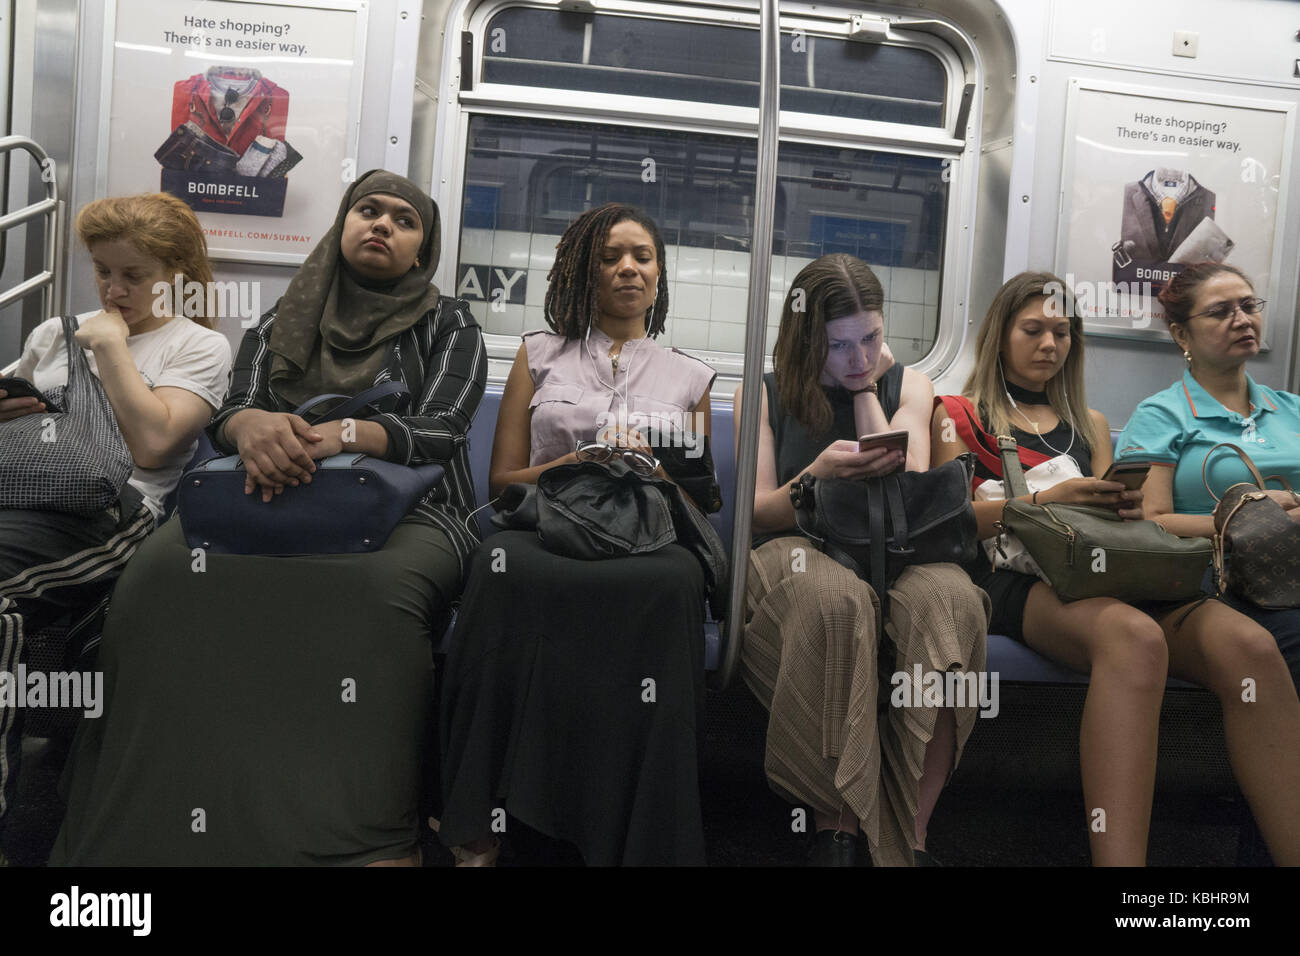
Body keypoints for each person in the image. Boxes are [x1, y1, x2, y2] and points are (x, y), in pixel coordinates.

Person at [49, 170, 486, 866]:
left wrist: (339, 434)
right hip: (269, 490)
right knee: (159, 578)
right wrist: (253, 426)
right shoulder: (283, 314)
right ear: (342, 222)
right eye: (367, 210)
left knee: (373, 596)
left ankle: (363, 836)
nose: (381, 225)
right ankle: (141, 824)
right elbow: (230, 411)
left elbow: (441, 428)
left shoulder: (450, 321)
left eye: (404, 221)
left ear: (423, 248)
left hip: (410, 508)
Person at [931, 270, 1300, 866]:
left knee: (1251, 647)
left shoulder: (1092, 425)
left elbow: (1125, 527)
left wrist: (1118, 504)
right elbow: (948, 522)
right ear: (999, 335)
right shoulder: (957, 414)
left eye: (1062, 332)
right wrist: (1046, 502)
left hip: (1106, 572)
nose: (1050, 345)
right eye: (1033, 330)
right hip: (1014, 578)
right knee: (1133, 638)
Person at [436, 202, 716, 866]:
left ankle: (647, 837)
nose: (628, 268)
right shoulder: (539, 356)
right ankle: (481, 819)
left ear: (659, 274)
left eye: (642, 257)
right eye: (610, 256)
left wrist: (646, 464)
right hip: (546, 521)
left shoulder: (691, 377)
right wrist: (580, 460)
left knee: (676, 581)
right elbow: (504, 481)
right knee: (498, 566)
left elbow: (697, 500)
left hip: (647, 531)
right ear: (582, 274)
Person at [740, 254, 990, 867]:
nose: (858, 356)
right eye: (839, 345)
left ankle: (911, 835)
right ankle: (838, 829)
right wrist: (815, 476)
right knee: (835, 600)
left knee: (950, 602)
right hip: (796, 548)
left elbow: (905, 474)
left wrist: (865, 389)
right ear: (806, 339)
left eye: (871, 338)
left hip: (899, 548)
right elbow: (758, 511)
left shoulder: (910, 383)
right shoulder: (765, 391)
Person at [0, 193, 231, 858]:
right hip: (27, 492)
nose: (114, 288)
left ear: (177, 276)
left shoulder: (200, 347)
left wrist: (111, 348)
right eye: (103, 272)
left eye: (134, 275)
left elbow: (156, 444)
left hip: (115, 511)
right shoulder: (52, 334)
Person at [1115, 262, 1300, 863]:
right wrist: (1246, 509)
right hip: (1212, 583)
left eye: (1248, 305)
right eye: (1221, 311)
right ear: (1182, 335)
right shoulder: (1161, 415)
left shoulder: (1291, 409)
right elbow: (1149, 519)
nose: (1242, 320)